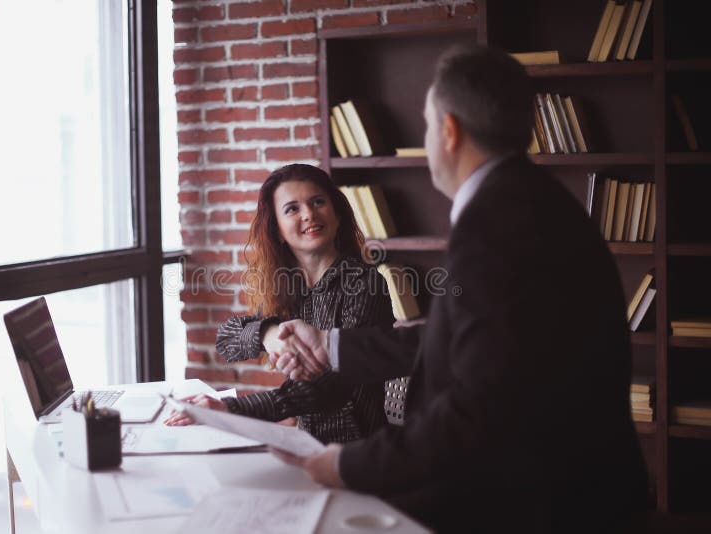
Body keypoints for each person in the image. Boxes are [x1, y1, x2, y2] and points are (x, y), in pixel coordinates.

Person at [270, 45, 649, 532]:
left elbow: (479, 408)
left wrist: (349, 464)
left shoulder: (496, 226)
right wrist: (330, 344)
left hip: (545, 505)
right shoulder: (531, 200)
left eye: (427, 126)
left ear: (449, 131)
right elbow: (470, 342)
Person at [166, 163, 397, 444]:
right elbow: (226, 340)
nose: (309, 214)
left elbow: (333, 388)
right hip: (303, 441)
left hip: (359, 448)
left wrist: (231, 409)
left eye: (318, 202)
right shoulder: (285, 284)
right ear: (277, 230)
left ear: (337, 213)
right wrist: (269, 334)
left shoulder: (365, 283)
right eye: (292, 209)